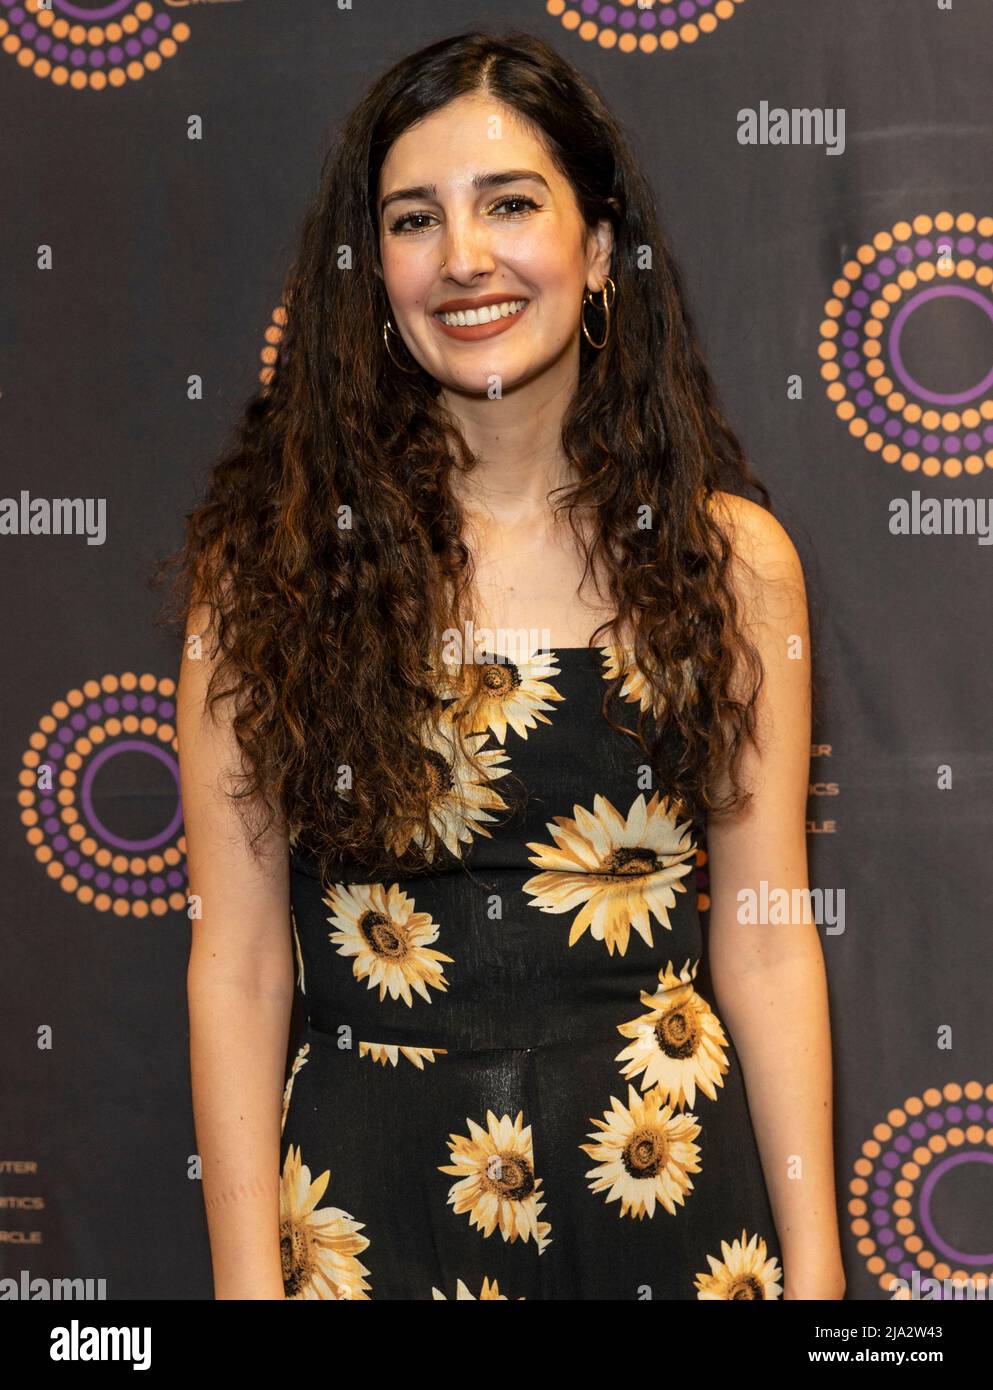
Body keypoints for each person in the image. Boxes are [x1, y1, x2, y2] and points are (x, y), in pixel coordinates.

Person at [163, 28, 845, 1300]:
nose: (464, 257)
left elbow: (763, 941)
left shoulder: (732, 564)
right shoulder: (267, 572)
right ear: (373, 276)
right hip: (371, 1208)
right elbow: (242, 962)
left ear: (598, 252)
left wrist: (818, 1278)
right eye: (416, 220)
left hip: (671, 1193)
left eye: (511, 204)